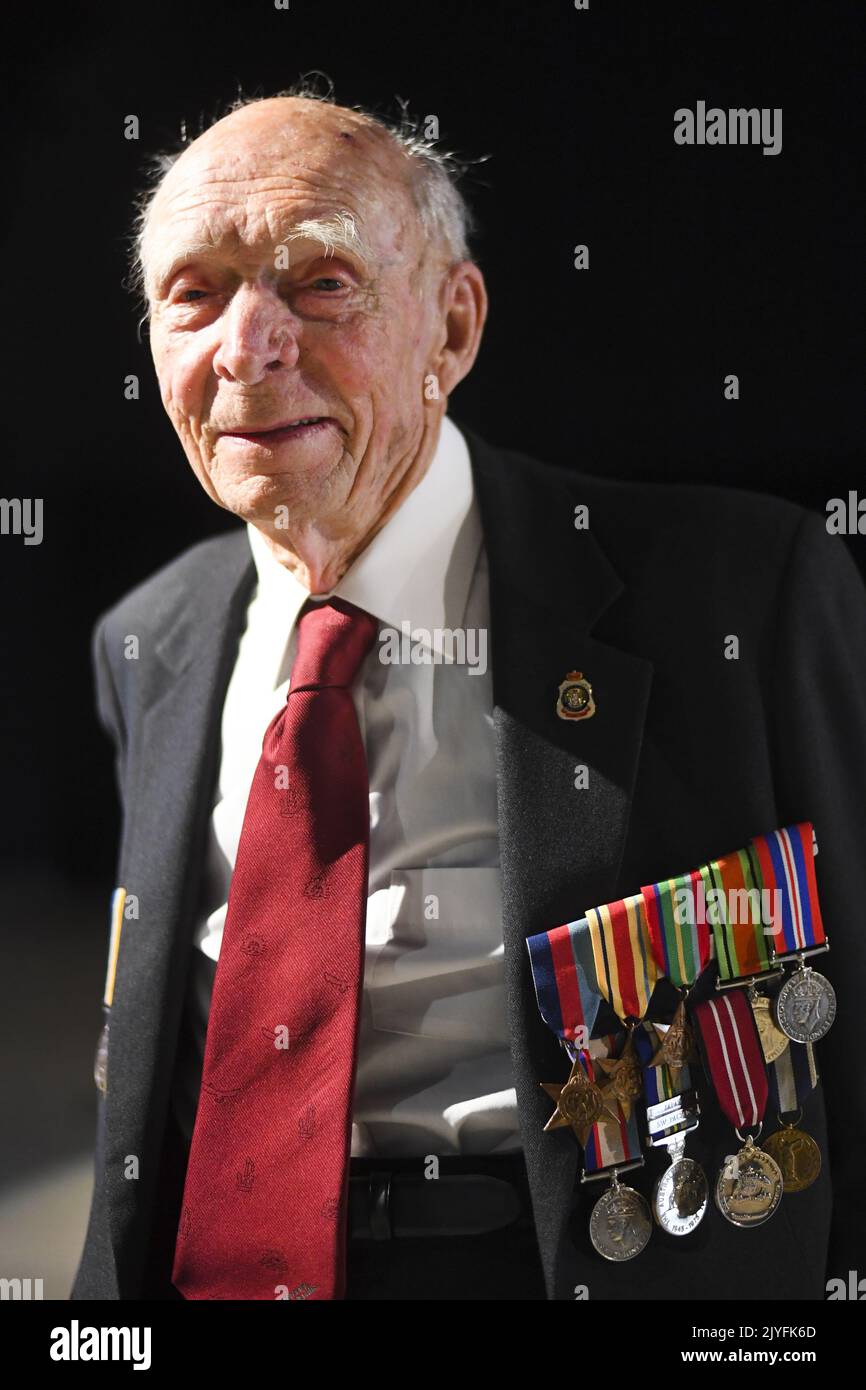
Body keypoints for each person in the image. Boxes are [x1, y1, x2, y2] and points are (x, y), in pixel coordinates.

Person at [72, 91, 866, 1302]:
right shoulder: (151, 638)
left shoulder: (738, 594)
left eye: (320, 283)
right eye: (194, 294)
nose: (246, 345)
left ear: (452, 325)